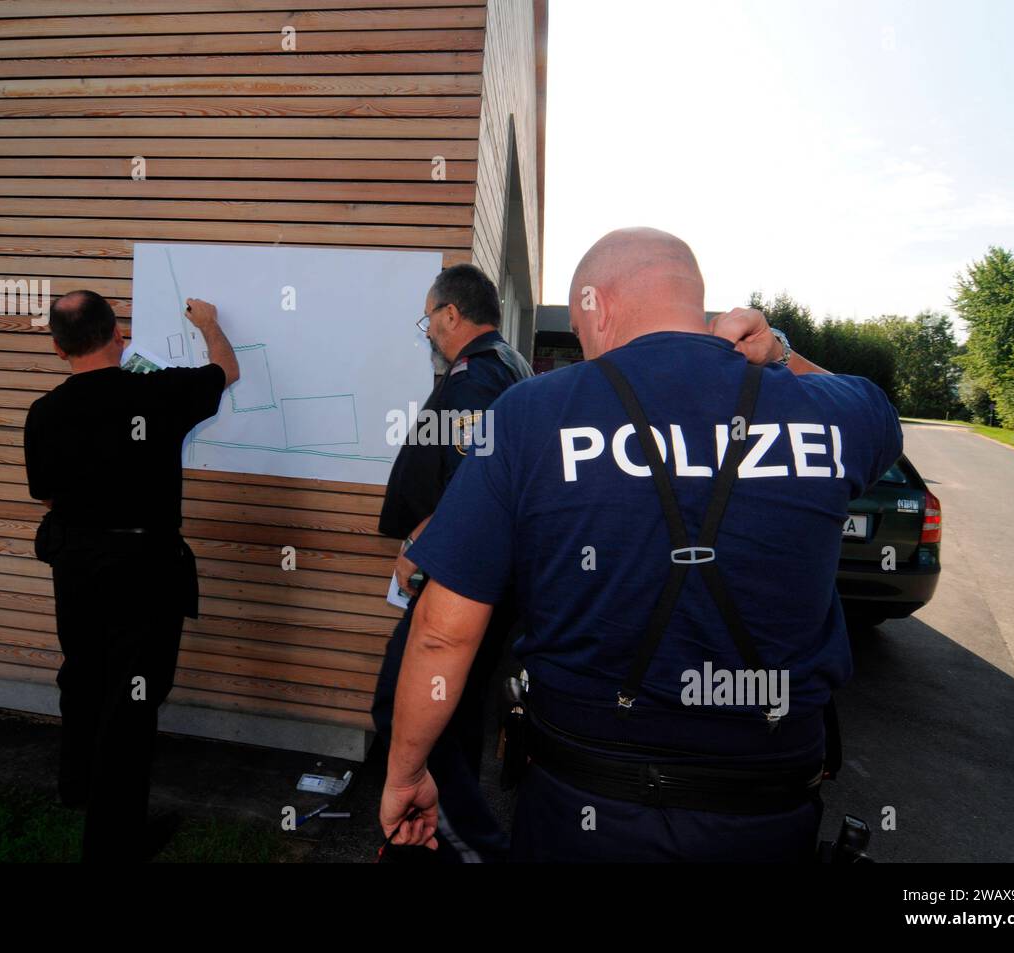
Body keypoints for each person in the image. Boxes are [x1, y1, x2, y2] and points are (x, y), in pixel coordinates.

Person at [378, 227, 903, 861]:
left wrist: (406, 772)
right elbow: (884, 422)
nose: (582, 343)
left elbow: (442, 632)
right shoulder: (824, 411)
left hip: (586, 805)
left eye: (578, 325)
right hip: (765, 810)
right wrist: (780, 352)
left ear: (597, 303)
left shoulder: (530, 414)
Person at [24, 290, 240, 862]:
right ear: (117, 335)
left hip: (76, 568)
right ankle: (112, 845)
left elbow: (45, 490)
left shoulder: (44, 413)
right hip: (142, 574)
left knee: (84, 677)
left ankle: (76, 785)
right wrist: (211, 325)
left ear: (57, 346)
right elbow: (225, 370)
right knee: (130, 702)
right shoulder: (159, 393)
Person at [373, 263, 532, 861]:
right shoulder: (508, 364)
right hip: (489, 575)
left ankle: (467, 840)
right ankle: (438, 836)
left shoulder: (474, 378)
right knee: (455, 711)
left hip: (461, 575)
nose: (430, 332)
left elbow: (475, 481)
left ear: (451, 315)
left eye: (430, 318)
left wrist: (420, 543)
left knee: (404, 703)